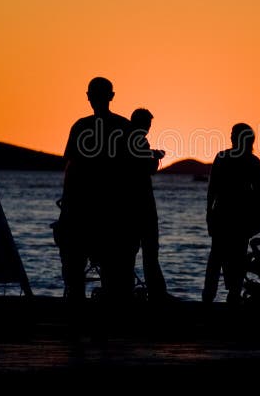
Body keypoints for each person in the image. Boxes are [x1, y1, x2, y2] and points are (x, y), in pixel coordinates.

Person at [57, 77, 137, 304]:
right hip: (110, 211)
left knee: (76, 271)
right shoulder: (123, 126)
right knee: (110, 274)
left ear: (89, 97)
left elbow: (71, 170)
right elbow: (132, 172)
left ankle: (80, 322)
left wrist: (66, 208)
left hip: (89, 210)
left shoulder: (81, 126)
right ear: (111, 96)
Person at [203, 123, 260, 304]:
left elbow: (258, 193)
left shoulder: (228, 158)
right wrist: (209, 214)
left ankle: (216, 296)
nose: (231, 137)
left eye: (234, 134)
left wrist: (209, 213)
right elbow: (213, 188)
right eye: (231, 133)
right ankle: (226, 295)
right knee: (230, 257)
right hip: (231, 215)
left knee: (223, 257)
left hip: (232, 215)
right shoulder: (249, 160)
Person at [127, 108, 173, 303]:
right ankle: (157, 293)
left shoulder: (125, 140)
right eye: (147, 125)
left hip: (129, 206)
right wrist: (156, 156)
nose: (148, 129)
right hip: (142, 205)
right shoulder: (138, 141)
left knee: (130, 252)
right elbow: (147, 168)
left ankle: (126, 291)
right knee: (149, 251)